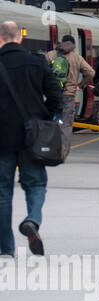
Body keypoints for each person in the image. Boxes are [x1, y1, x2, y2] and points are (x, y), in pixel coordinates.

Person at [0, 20, 61, 256]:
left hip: (2, 138)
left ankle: (6, 249)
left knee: (3, 191)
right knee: (35, 184)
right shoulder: (36, 62)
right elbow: (56, 95)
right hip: (33, 137)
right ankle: (32, 221)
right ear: (20, 38)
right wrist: (43, 117)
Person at [45, 35, 95, 150]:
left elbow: (40, 71)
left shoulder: (50, 55)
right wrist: (80, 85)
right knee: (66, 124)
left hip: (52, 95)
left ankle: (47, 147)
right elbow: (91, 73)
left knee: (49, 121)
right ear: (73, 45)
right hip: (68, 95)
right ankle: (62, 150)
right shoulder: (76, 57)